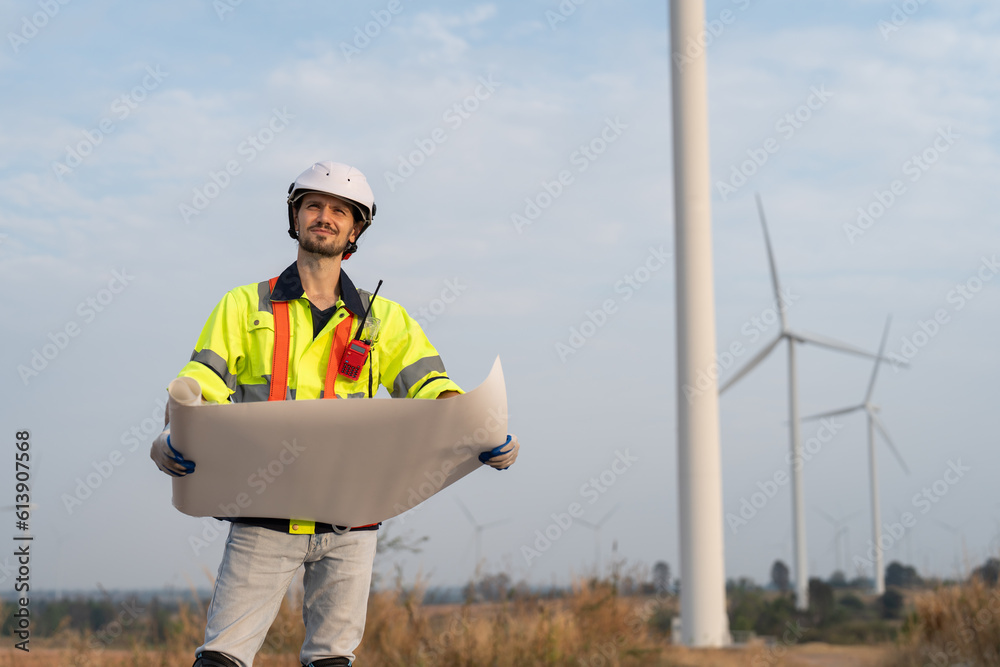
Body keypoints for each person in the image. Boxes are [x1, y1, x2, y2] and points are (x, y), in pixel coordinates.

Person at [150, 161, 520, 667]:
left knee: (331, 662)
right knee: (221, 659)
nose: (325, 216)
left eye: (339, 211)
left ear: (356, 228)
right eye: (314, 206)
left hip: (351, 521)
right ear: (296, 217)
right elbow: (200, 385)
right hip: (264, 514)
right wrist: (172, 431)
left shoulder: (384, 319)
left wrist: (487, 429)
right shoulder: (243, 305)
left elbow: (435, 392)